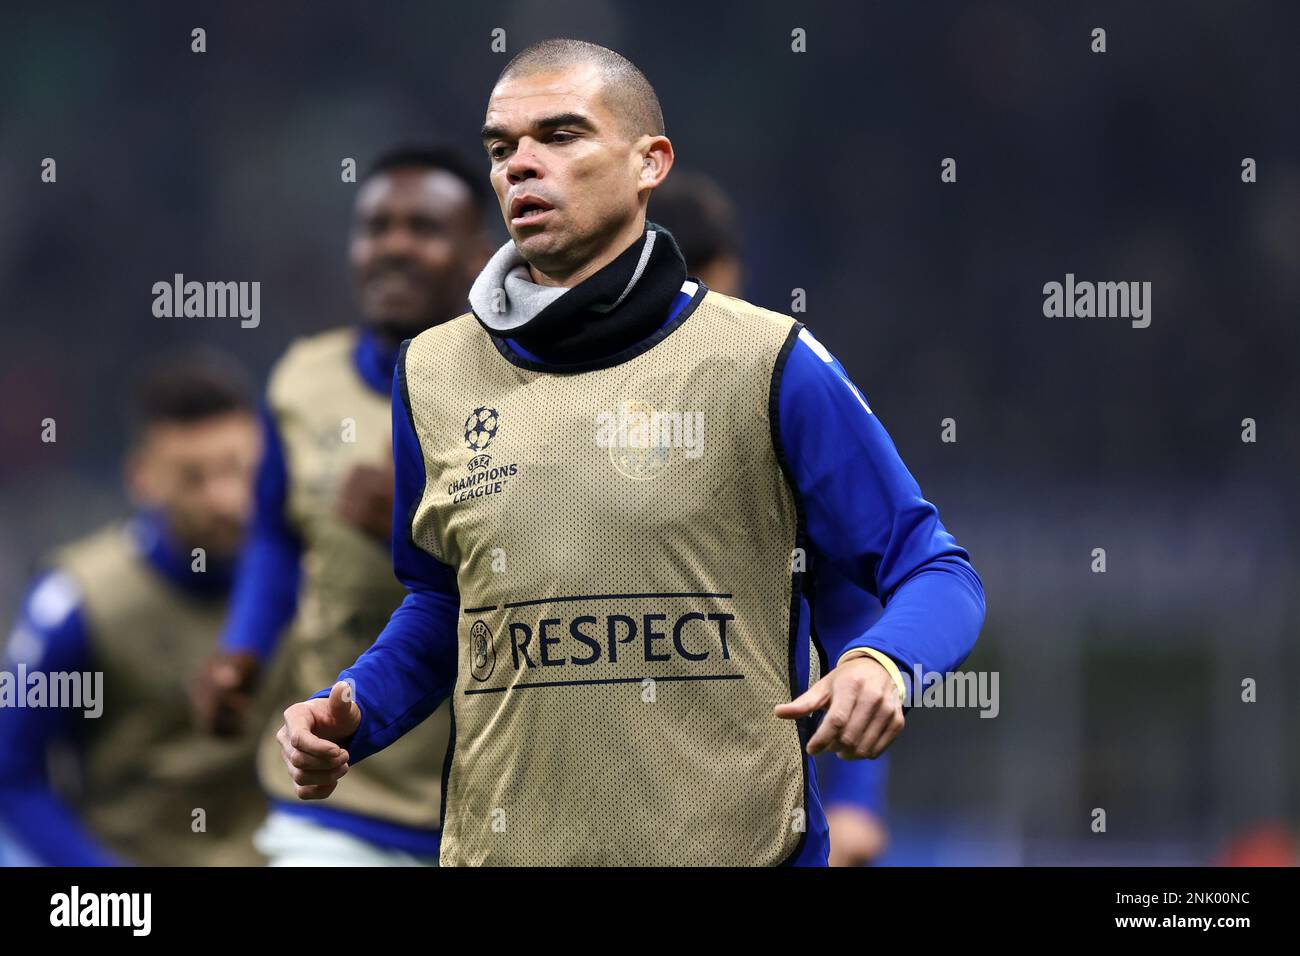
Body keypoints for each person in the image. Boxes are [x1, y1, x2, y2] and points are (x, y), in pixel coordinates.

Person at [278, 38, 985, 866]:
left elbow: (935, 568)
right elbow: (442, 606)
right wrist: (353, 710)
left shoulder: (767, 360)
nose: (521, 166)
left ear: (651, 162)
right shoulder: (432, 371)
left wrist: (885, 662)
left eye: (562, 136)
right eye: (502, 148)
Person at [192, 146, 492, 865]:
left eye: (423, 227)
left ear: (479, 253)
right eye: (375, 226)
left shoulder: (520, 381)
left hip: (488, 799)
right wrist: (243, 650)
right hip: (338, 801)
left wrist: (421, 517)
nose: (393, 245)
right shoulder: (301, 380)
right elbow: (273, 534)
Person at [0, 354, 267, 865]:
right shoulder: (74, 602)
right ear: (142, 477)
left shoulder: (306, 581)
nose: (225, 500)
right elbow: (12, 773)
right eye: (193, 478)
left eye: (239, 471)